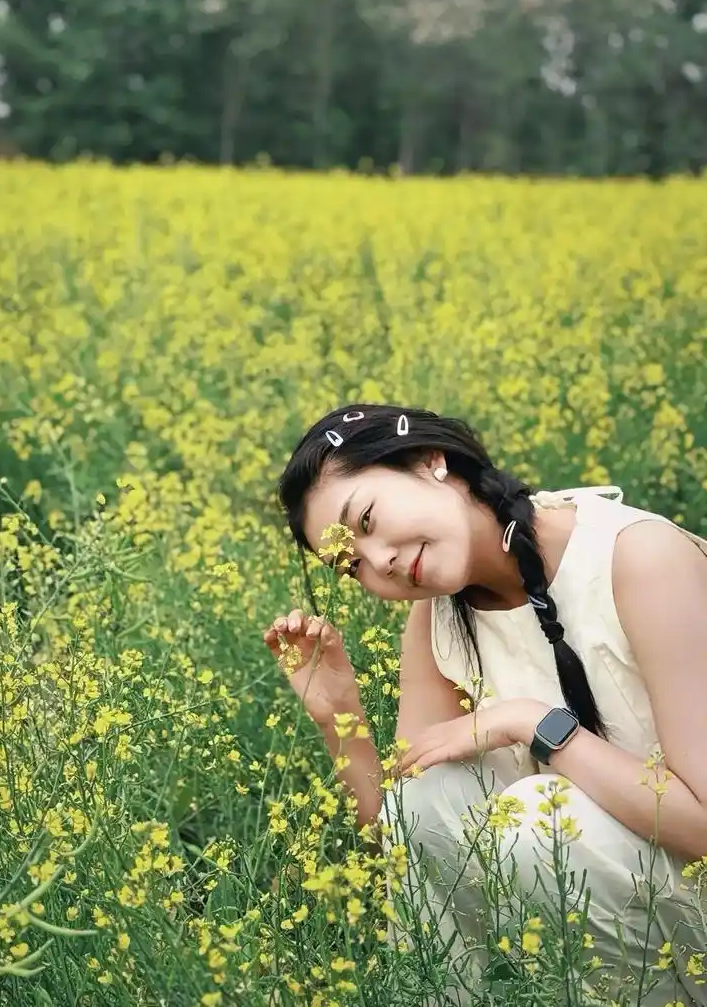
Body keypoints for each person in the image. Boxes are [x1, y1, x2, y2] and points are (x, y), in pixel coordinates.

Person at [263, 403, 707, 1007]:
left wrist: (531, 723)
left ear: (430, 461)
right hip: (616, 914)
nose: (380, 561)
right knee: (424, 796)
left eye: (366, 519)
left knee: (540, 820)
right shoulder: (437, 620)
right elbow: (406, 846)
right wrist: (341, 720)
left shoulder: (636, 557)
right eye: (352, 565)